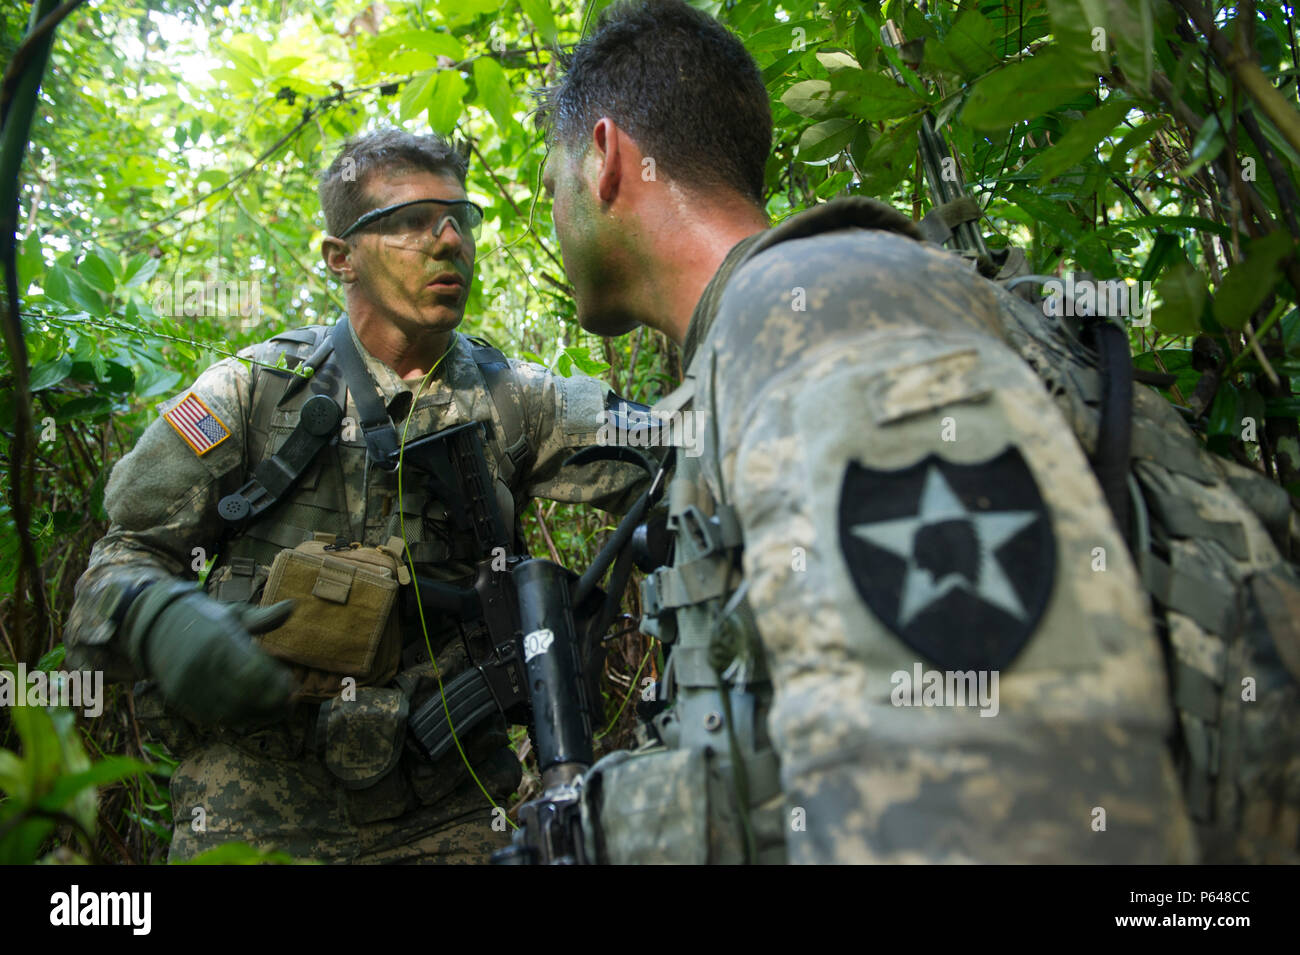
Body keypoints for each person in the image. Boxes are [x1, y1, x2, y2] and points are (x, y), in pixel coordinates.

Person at [533, 0, 1239, 864]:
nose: (552, 211)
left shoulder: (818, 312)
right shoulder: (786, 321)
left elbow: (1006, 810)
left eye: (551, 181)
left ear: (604, 160)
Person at [65, 127, 650, 863]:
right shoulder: (254, 392)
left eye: (459, 220)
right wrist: (157, 616)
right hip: (249, 804)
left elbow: (681, 451)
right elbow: (113, 567)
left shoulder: (517, 399)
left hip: (447, 811)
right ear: (340, 256)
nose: (449, 244)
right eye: (411, 222)